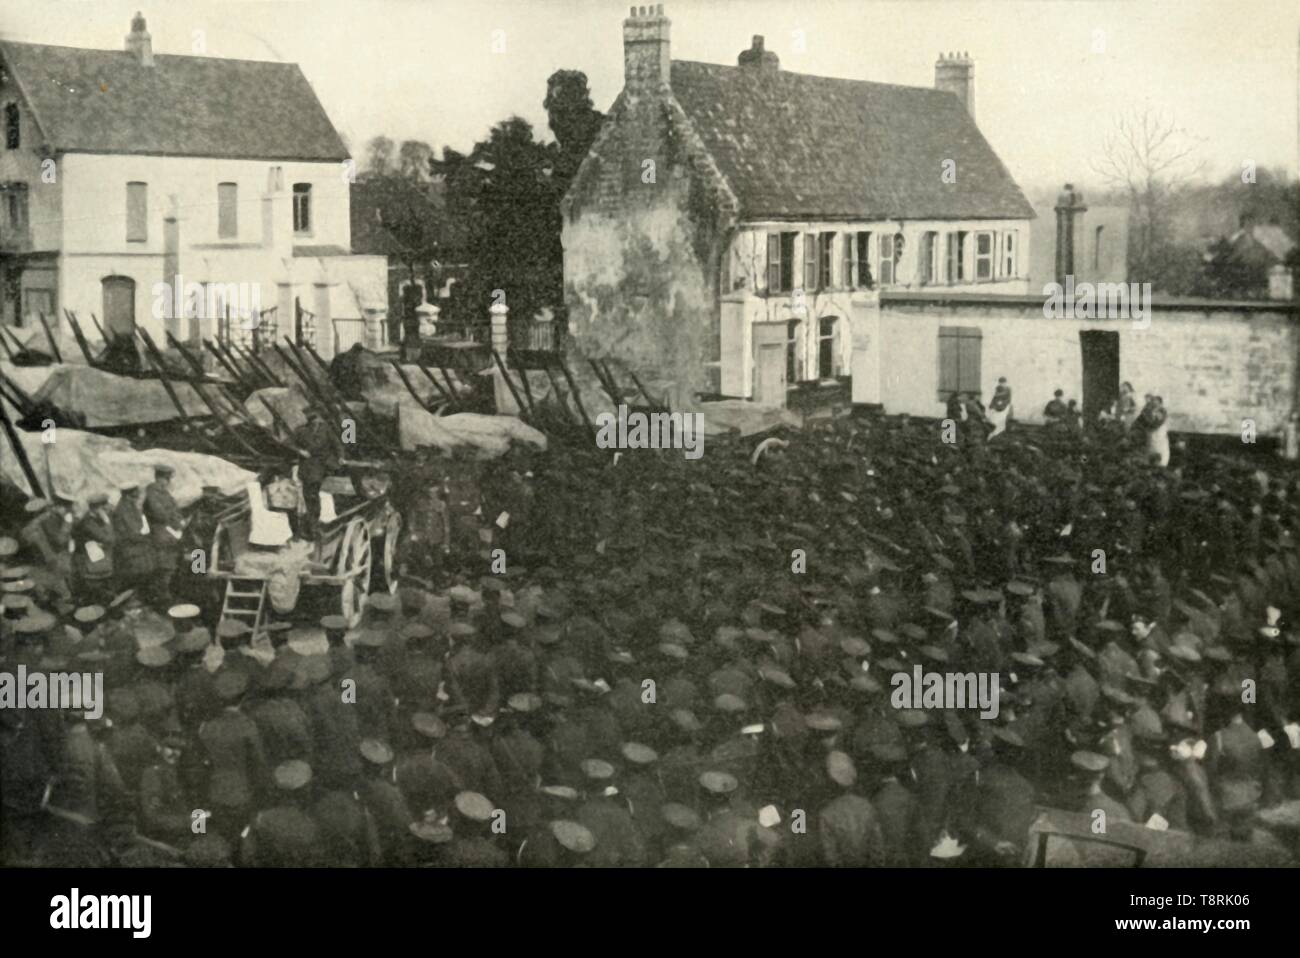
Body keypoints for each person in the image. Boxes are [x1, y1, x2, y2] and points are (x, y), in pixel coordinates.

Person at [292, 409, 344, 540]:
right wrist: (300, 451)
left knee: (314, 495)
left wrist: (341, 457)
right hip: (308, 466)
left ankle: (316, 525)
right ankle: (313, 527)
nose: (316, 423)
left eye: (317, 420)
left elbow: (337, 444)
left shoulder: (326, 429)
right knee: (311, 496)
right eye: (313, 421)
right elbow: (289, 443)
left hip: (323, 464)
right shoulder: (300, 431)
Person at [143, 465, 185, 608]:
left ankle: (170, 598)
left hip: (173, 538)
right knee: (164, 569)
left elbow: (175, 510)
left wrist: (178, 521)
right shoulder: (152, 493)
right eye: (166, 479)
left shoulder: (165, 494)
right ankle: (163, 601)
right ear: (160, 478)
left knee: (172, 567)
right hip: (163, 536)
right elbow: (160, 514)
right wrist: (175, 521)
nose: (167, 482)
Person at [72, 493, 116, 606]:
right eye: (105, 507)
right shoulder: (88, 523)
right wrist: (107, 522)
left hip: (97, 562)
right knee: (98, 591)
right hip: (91, 565)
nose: (108, 509)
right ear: (98, 508)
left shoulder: (94, 519)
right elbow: (108, 539)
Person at [112, 484, 154, 597]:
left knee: (141, 584)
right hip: (132, 554)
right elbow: (134, 532)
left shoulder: (130, 506)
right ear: (129, 495)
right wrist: (147, 538)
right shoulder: (124, 510)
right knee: (135, 585)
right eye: (136, 494)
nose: (138, 496)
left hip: (137, 552)